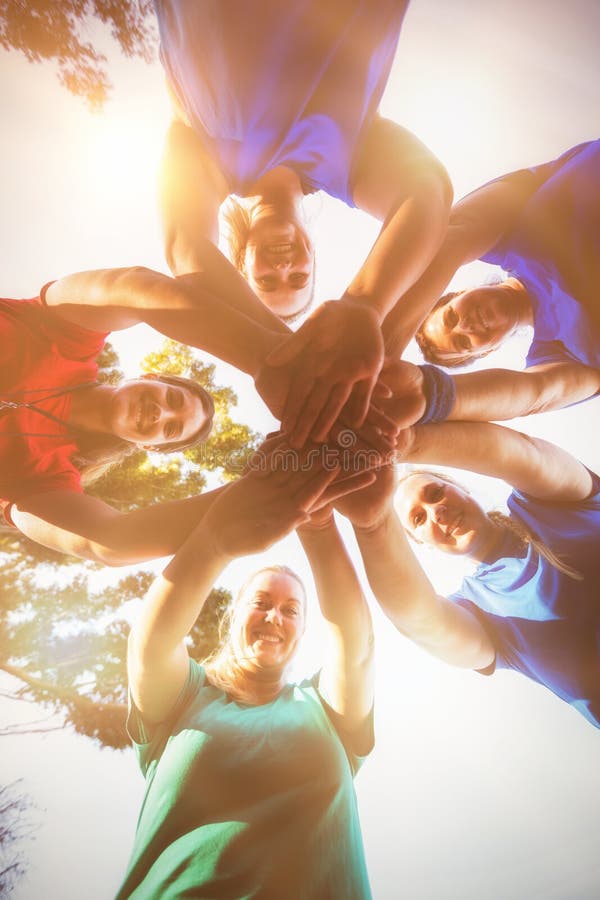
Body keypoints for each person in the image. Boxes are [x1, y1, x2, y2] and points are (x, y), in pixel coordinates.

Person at [154, 0, 452, 443]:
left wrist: (282, 358)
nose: (283, 268)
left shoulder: (208, 162)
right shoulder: (348, 165)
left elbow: (187, 251)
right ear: (313, 251)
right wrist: (364, 304)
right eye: (298, 279)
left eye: (268, 282)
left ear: (239, 261)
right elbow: (429, 191)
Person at [117, 444, 375, 898]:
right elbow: (151, 644)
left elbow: (355, 646)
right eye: (261, 603)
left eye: (291, 610)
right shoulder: (187, 697)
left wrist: (317, 521)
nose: (275, 616)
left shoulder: (324, 707)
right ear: (234, 615)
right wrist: (216, 540)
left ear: (302, 630)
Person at [2, 267, 392, 564]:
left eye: (169, 428)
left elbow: (109, 540)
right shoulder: (62, 336)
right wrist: (265, 356)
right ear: (149, 376)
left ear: (149, 447)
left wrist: (260, 491)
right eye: (171, 397)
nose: (159, 413)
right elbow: (134, 289)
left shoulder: (45, 480)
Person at [341, 420, 600, 727]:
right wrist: (371, 525)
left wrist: (402, 440)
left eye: (436, 493)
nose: (436, 512)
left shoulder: (545, 504)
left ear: (461, 489)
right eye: (419, 518)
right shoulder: (480, 609)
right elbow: (419, 619)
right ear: (420, 543)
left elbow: (520, 453)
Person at [382, 140, 600, 424]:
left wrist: (383, 349)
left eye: (451, 317)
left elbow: (452, 239)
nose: (465, 325)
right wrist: (430, 397)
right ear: (489, 351)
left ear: (461, 291)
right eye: (462, 342)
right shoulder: (559, 352)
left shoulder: (504, 239)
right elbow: (534, 394)